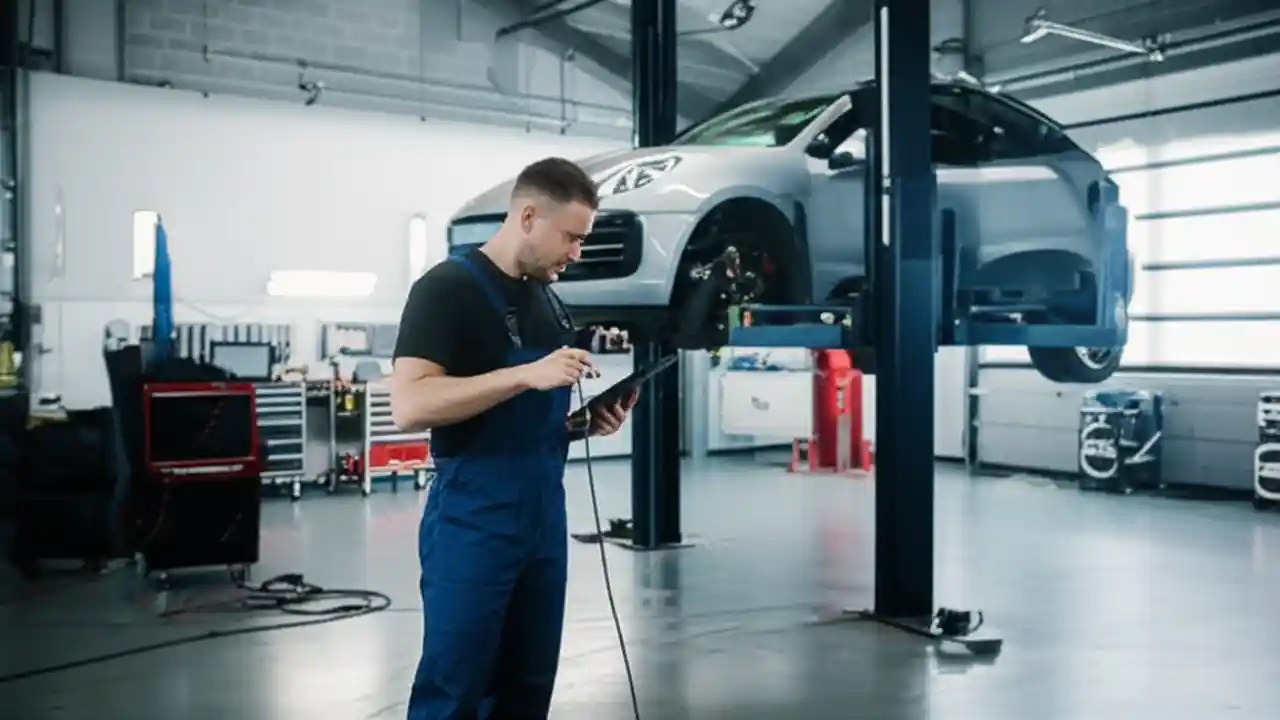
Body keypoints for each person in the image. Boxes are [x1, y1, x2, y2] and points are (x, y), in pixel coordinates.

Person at [390, 157, 639, 720]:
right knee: (455, 685)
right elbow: (410, 405)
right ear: (528, 215)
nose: (577, 253)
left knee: (527, 684)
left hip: (544, 513)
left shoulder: (547, 301)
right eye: (571, 237)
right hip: (474, 515)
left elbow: (524, 417)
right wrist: (525, 374)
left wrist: (583, 424)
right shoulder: (446, 289)